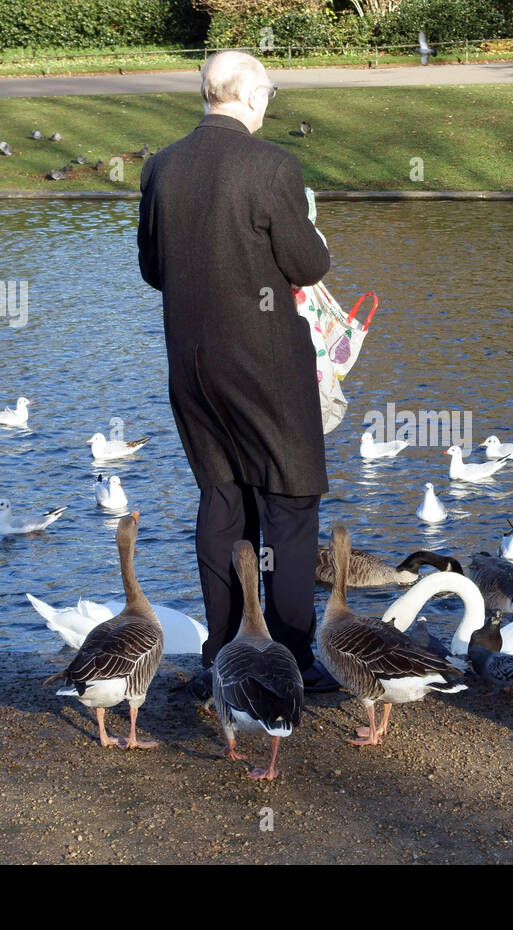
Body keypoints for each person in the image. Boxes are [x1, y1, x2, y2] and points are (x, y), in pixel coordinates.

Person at [137, 50, 339, 691]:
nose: (268, 106)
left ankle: (224, 653)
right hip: (266, 365)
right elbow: (308, 265)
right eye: (269, 95)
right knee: (289, 503)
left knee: (222, 499)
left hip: (191, 364)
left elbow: (153, 269)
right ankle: (291, 658)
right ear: (252, 97)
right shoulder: (271, 165)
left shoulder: (161, 166)